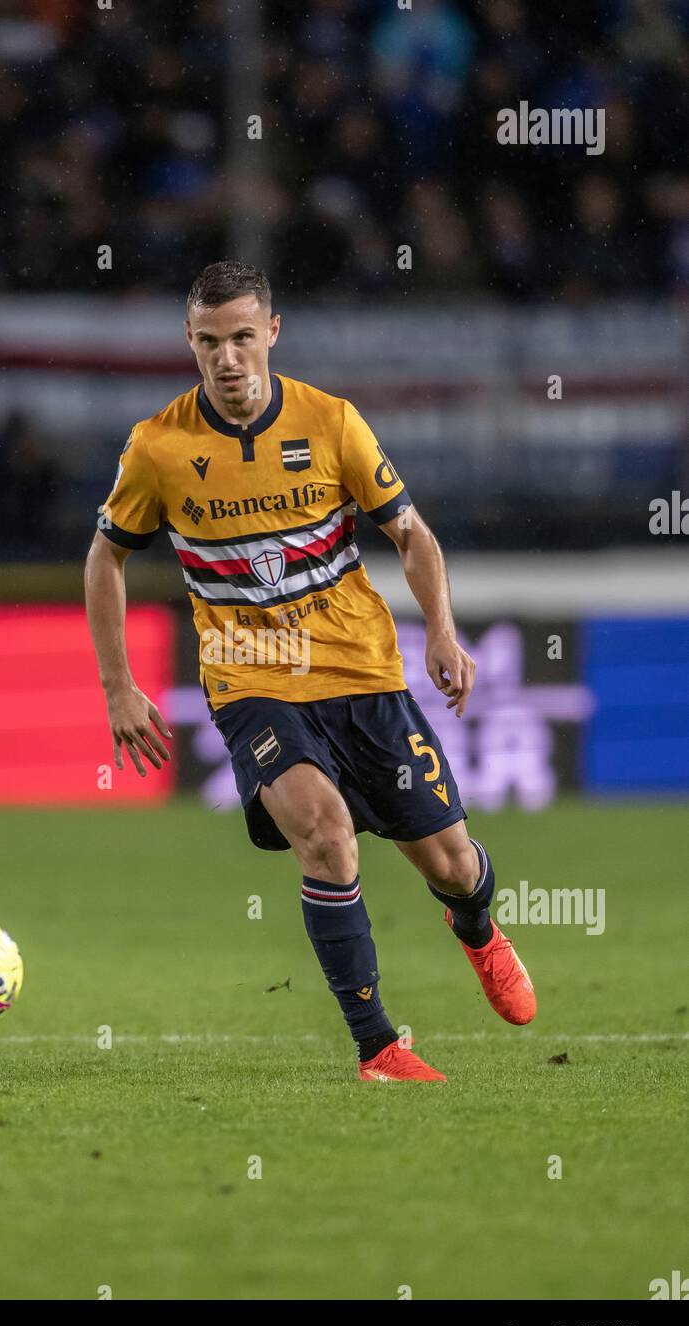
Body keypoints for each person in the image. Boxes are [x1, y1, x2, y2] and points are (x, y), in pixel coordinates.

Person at [85, 261, 536, 1083]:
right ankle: (378, 1047)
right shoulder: (157, 448)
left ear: (273, 334)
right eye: (210, 341)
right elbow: (105, 558)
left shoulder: (331, 423)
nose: (228, 359)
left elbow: (414, 537)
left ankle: (477, 928)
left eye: (243, 338)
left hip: (362, 673)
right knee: (325, 836)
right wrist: (118, 684)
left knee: (453, 865)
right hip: (251, 680)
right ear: (190, 341)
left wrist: (441, 632)